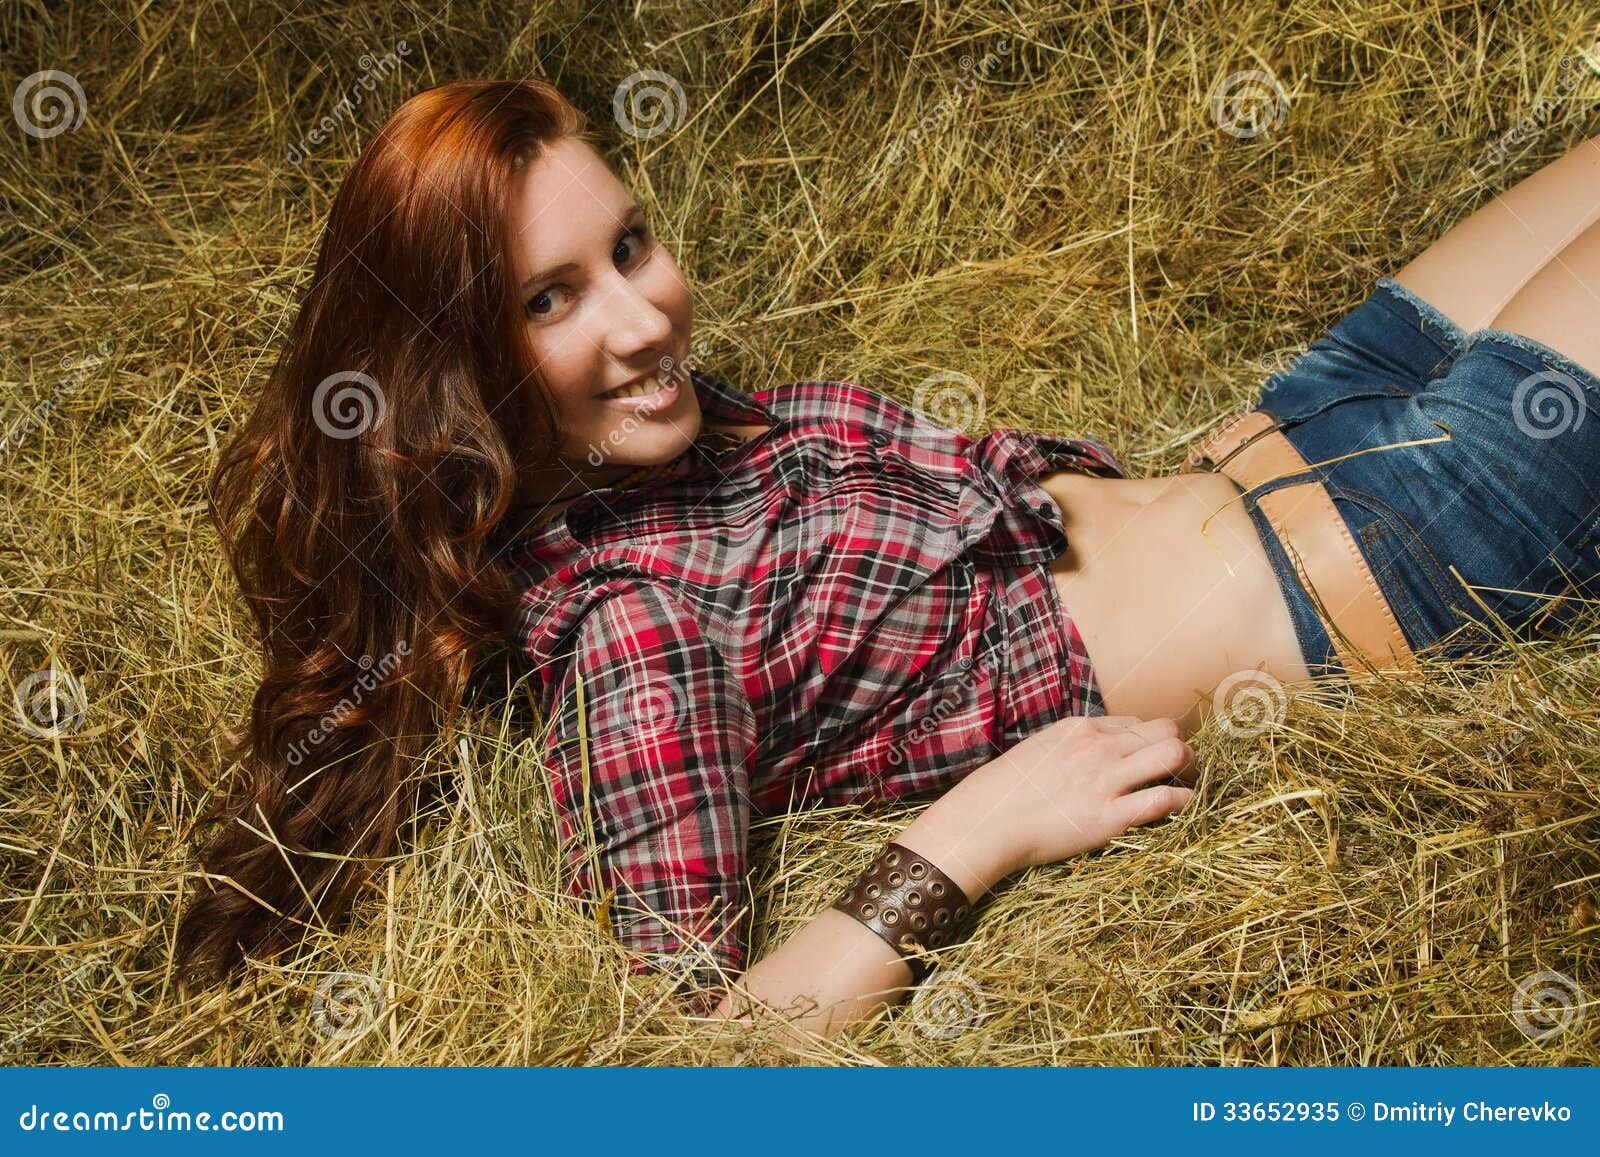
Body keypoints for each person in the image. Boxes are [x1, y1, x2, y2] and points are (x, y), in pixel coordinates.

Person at [173, 78, 1600, 1045]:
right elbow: (704, 1055)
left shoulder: (656, 438)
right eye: (554, 299)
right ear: (460, 369)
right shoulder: (633, 628)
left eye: (631, 246)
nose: (643, 315)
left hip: (1311, 416)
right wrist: (967, 836)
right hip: (1413, 540)